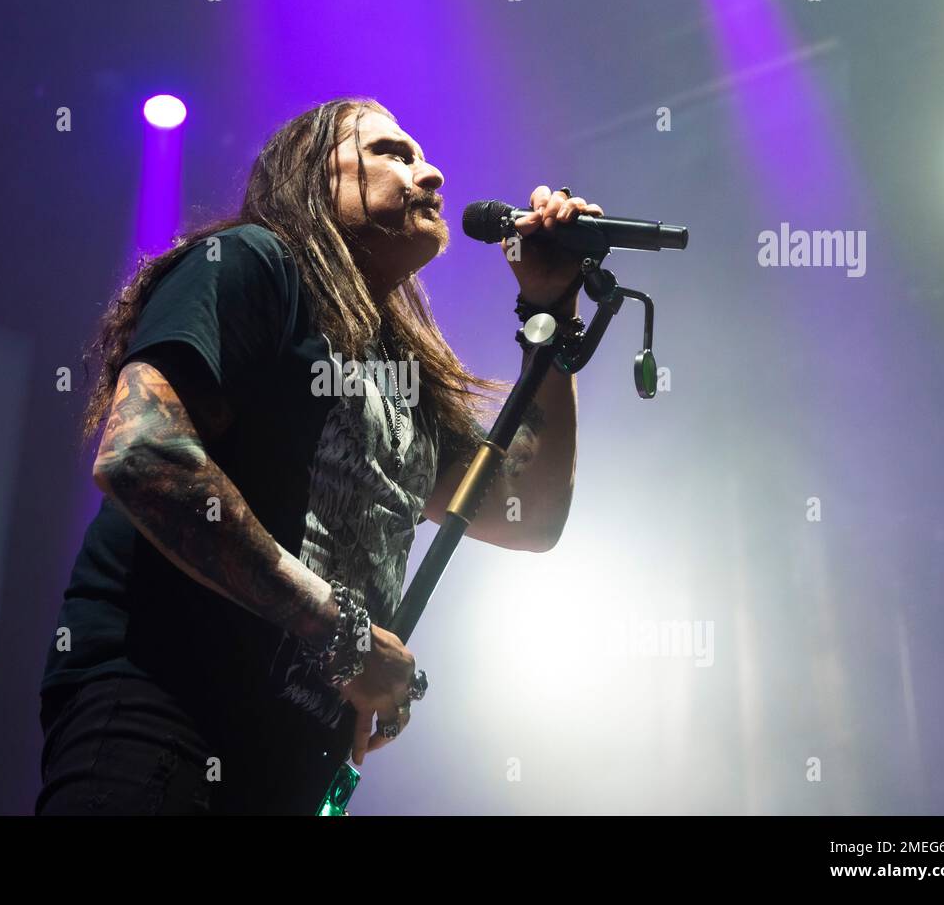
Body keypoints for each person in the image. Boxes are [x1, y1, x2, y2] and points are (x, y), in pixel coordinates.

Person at [35, 96, 601, 815]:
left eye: (424, 156)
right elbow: (142, 454)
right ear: (310, 171)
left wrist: (551, 308)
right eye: (391, 152)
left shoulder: (404, 373)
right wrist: (343, 631)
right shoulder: (254, 263)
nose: (430, 174)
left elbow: (531, 512)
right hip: (163, 710)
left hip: (292, 761)